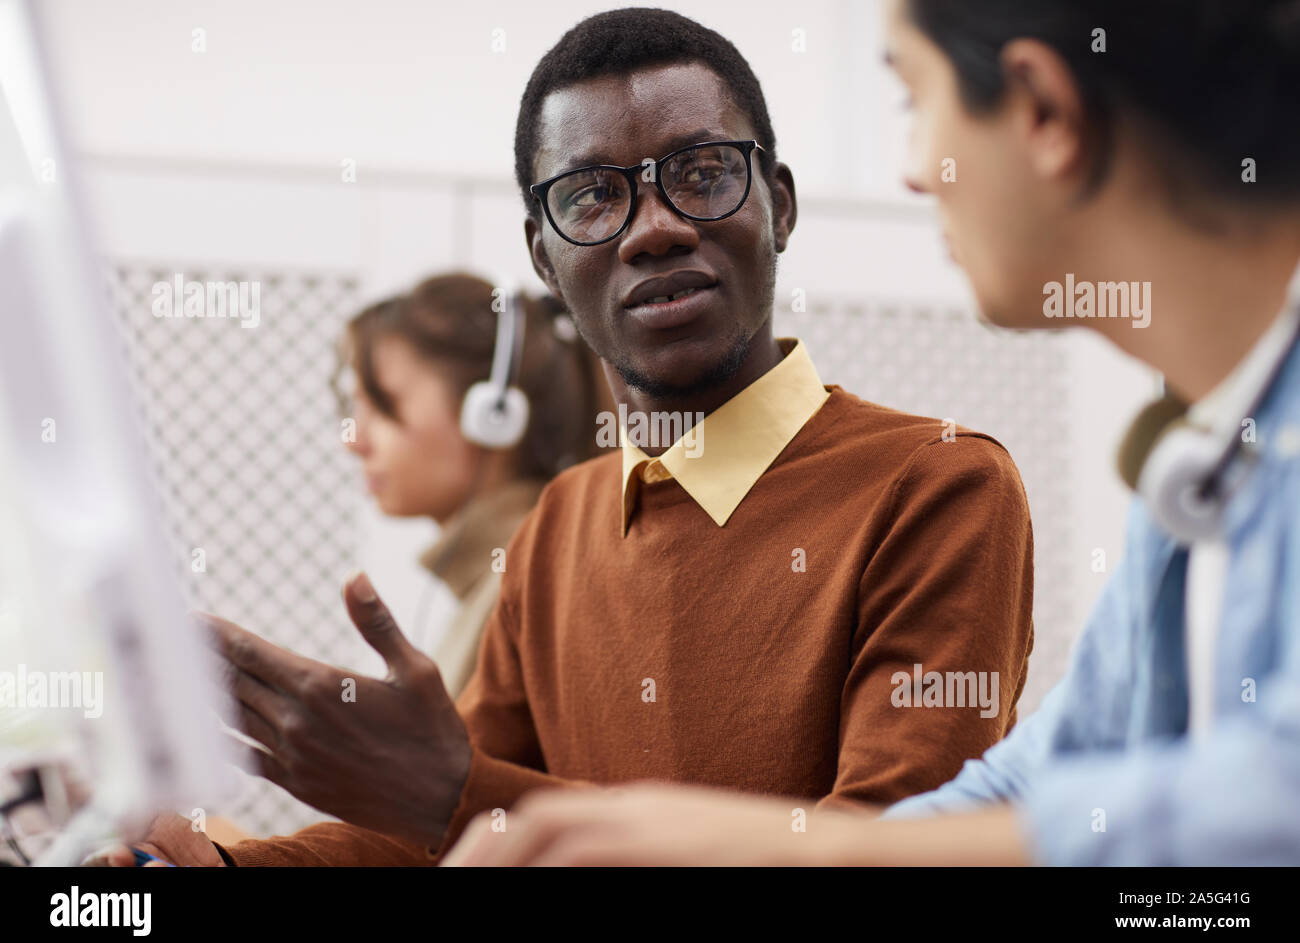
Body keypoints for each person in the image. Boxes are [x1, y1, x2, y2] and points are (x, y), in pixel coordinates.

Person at [97, 6, 1034, 867]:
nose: (654, 230)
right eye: (591, 197)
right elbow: (431, 847)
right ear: (543, 254)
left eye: (702, 175)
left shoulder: (940, 486)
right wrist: (216, 866)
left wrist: (451, 795)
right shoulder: (559, 525)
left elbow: (881, 856)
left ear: (778, 205)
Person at [443, 0, 1300, 866]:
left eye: (913, 100)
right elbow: (1042, 776)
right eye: (595, 196)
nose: (915, 173)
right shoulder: (1199, 475)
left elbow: (1270, 795)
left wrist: (798, 852)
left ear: (1041, 110)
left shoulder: (944, 482)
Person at [338, 273, 610, 696]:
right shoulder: (503, 580)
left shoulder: (532, 583)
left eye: (382, 404)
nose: (353, 440)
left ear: (492, 415)